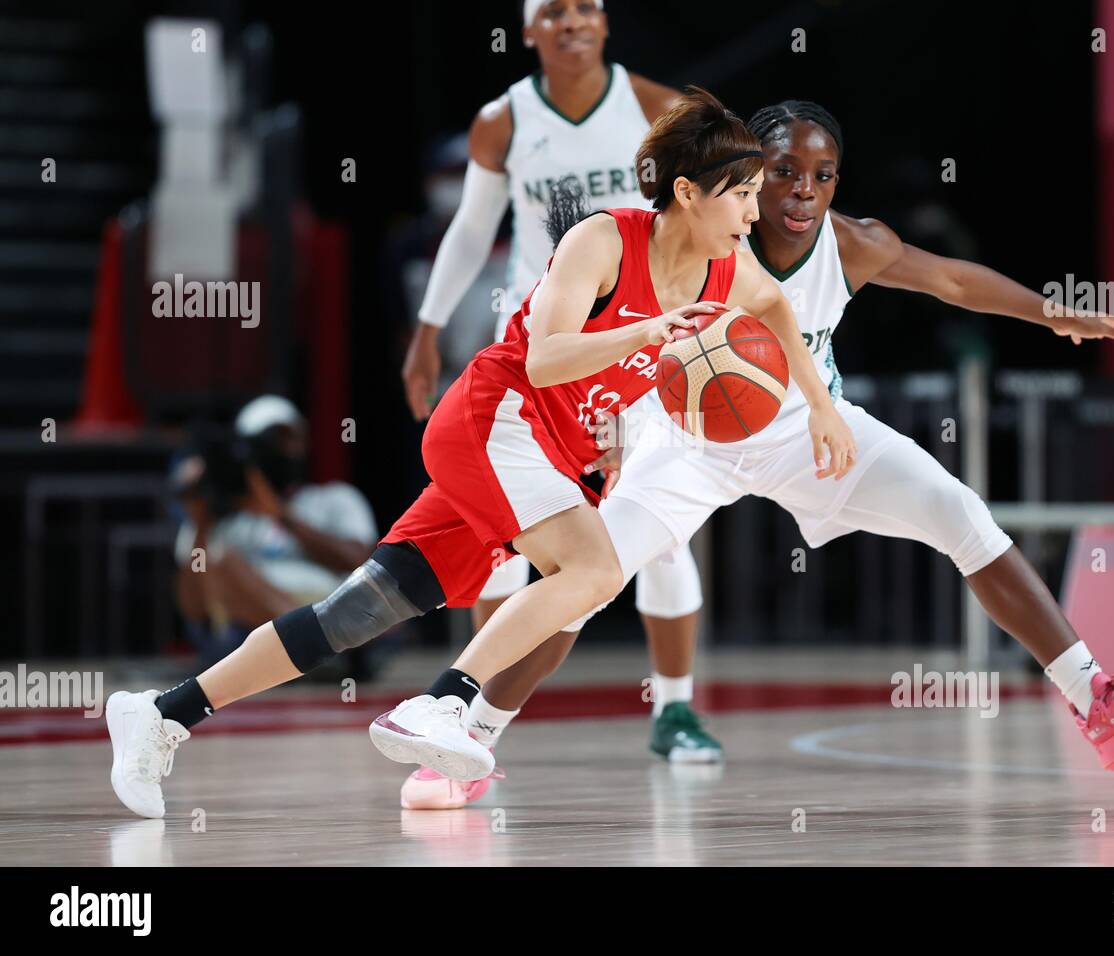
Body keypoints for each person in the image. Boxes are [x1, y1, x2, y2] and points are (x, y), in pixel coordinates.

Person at [398, 99, 1114, 803]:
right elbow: (598, 330)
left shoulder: (852, 245)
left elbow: (952, 282)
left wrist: (1050, 312)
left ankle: (1095, 697)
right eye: (782, 172)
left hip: (807, 433)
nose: (802, 191)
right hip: (687, 443)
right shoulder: (696, 237)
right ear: (748, 173)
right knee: (581, 587)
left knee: (958, 510)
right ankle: (460, 748)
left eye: (822, 175)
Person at [104, 87, 854, 818]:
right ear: (689, 193)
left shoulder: (728, 269)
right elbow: (546, 359)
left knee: (356, 612)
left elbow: (776, 308)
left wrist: (820, 408)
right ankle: (444, 703)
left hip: (545, 456)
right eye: (744, 194)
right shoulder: (603, 239)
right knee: (592, 569)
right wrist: (645, 334)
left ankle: (162, 716)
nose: (756, 212)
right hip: (494, 420)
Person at [397, 0, 721, 811]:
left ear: (606, 22)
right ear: (530, 27)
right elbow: (473, 230)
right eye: (555, 11)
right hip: (545, 352)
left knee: (656, 529)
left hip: (638, 342)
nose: (573, 21)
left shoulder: (654, 106)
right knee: (507, 545)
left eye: (587, 7)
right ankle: (464, 730)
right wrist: (429, 327)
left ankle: (675, 707)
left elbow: (713, 205)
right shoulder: (503, 120)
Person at [172, 396, 379, 676]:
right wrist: (200, 517)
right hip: (249, 628)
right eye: (274, 442)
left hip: (329, 608)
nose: (286, 450)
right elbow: (195, 609)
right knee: (223, 564)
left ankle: (310, 649)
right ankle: (314, 650)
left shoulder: (335, 499)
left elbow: (362, 562)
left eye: (291, 439)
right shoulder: (220, 523)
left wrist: (280, 516)